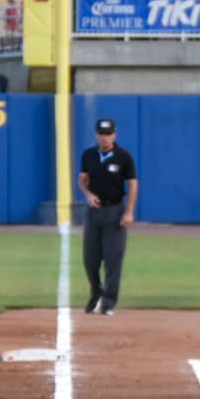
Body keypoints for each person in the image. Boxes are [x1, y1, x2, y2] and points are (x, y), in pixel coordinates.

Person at [78, 118, 138, 315]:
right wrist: (88, 194)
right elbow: (82, 179)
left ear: (115, 134)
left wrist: (129, 211)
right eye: (102, 133)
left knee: (113, 259)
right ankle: (96, 292)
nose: (105, 137)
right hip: (94, 212)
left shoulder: (123, 157)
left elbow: (132, 184)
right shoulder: (89, 155)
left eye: (108, 133)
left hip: (115, 210)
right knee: (90, 259)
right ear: (96, 134)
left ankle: (109, 302)